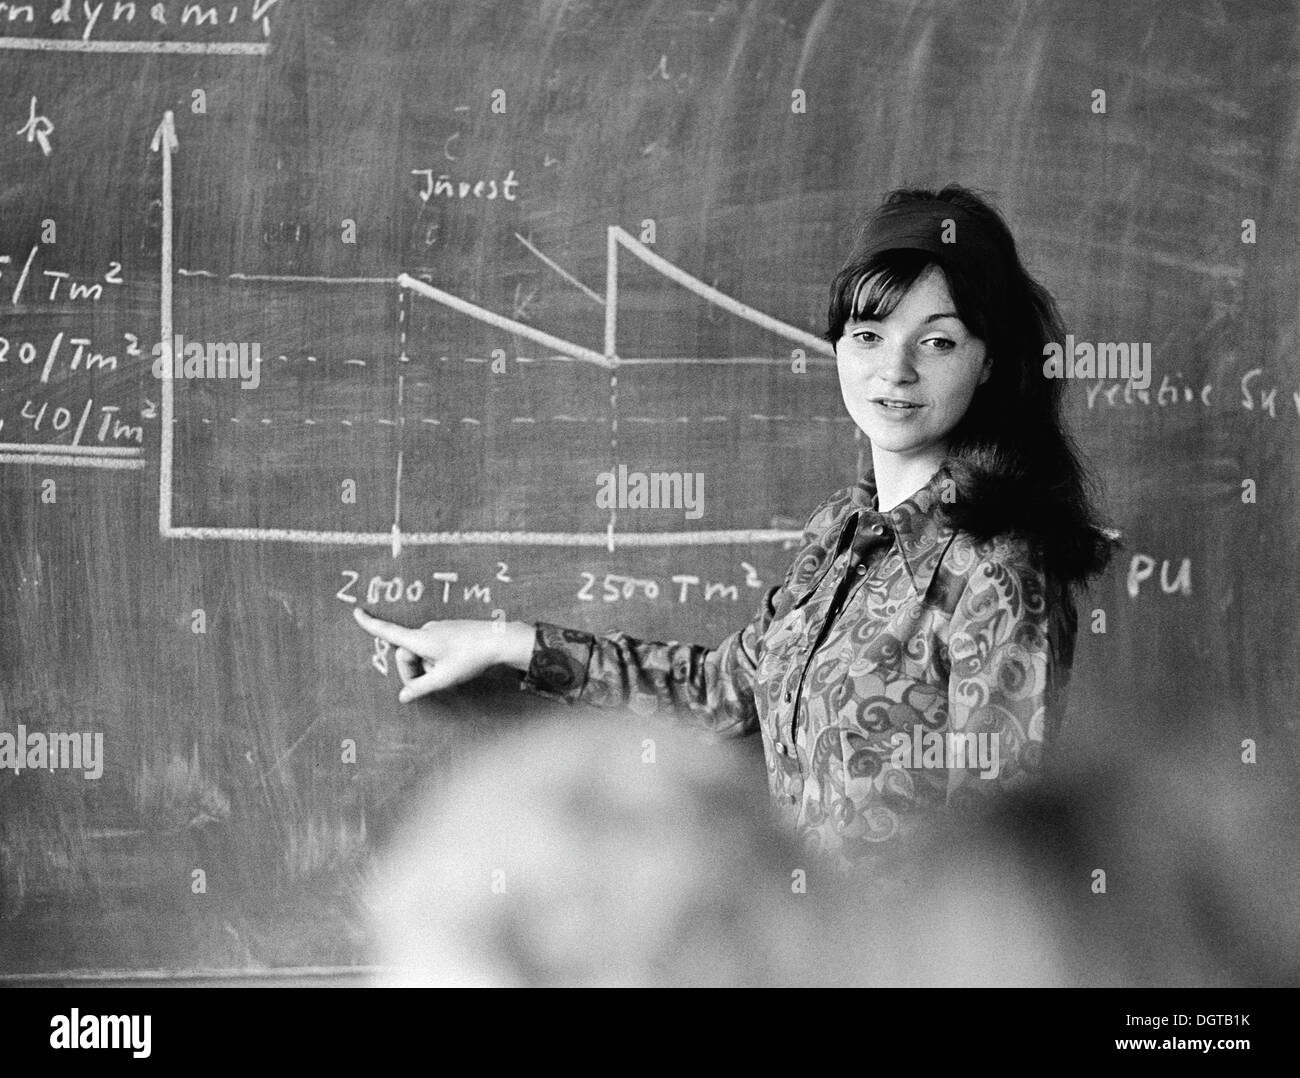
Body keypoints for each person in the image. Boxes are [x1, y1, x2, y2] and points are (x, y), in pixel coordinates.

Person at [354, 185, 1114, 872]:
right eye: (869, 334)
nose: (897, 370)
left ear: (988, 362)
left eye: (938, 340)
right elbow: (722, 693)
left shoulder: (999, 567)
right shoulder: (841, 537)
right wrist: (502, 642)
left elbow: (1006, 858)